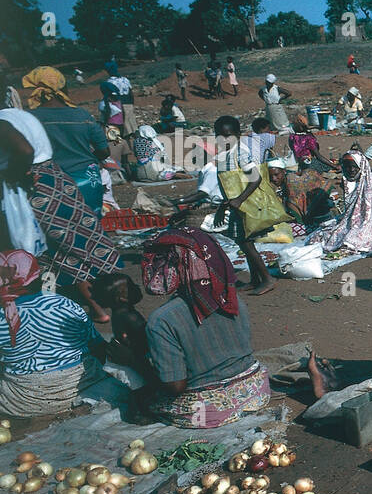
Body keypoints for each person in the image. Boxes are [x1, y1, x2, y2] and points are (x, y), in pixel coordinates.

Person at [137, 226, 271, 428]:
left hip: (209, 409)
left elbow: (175, 386)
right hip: (257, 392)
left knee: (140, 398)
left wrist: (133, 361)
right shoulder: (232, 300)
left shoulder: (162, 320)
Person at [0, 108, 120, 322]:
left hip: (31, 184)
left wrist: (12, 175)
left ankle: (41, 315)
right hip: (55, 179)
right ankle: (98, 309)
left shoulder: (3, 123)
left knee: (36, 253)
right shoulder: (17, 114)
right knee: (69, 249)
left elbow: (25, 151)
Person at [0, 250, 125, 417]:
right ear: (36, 276)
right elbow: (98, 347)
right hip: (84, 386)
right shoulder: (63, 303)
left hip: (24, 402)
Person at [198, 115, 277, 295]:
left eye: (229, 136)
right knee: (243, 242)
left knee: (246, 242)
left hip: (245, 203)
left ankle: (267, 278)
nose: (225, 140)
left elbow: (255, 178)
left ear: (238, 135)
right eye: (220, 136)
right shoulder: (225, 155)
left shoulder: (240, 153)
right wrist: (224, 206)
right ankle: (255, 279)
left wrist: (239, 200)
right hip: (236, 205)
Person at [24, 66, 110, 213]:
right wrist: (88, 159)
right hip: (87, 181)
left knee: (56, 229)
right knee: (91, 226)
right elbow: (104, 151)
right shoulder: (83, 116)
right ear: (63, 88)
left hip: (48, 185)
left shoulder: (29, 118)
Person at [309, 149, 372, 254]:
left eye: (354, 167)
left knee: (348, 239)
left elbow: (370, 218)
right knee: (323, 233)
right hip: (356, 220)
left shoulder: (370, 187)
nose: (351, 170)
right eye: (347, 167)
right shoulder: (349, 182)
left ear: (361, 167)